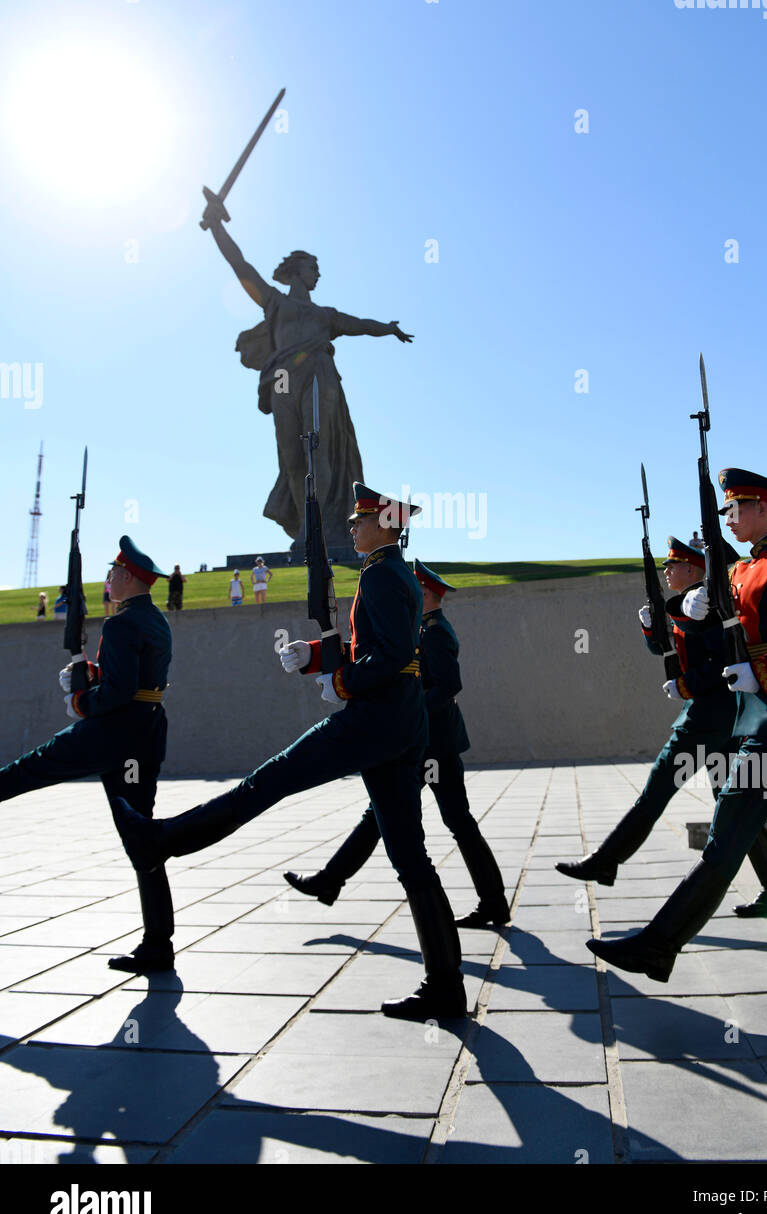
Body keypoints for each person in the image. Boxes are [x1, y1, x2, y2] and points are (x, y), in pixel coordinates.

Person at [115, 484, 466, 1020]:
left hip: (376, 719)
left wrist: (342, 682)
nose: (352, 527)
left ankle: (163, 839)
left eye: (360, 519)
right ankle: (446, 985)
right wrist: (314, 656)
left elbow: (390, 655)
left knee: (273, 778)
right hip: (399, 721)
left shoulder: (380, 573)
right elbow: (375, 647)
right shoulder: (394, 571)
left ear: (386, 525)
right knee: (410, 855)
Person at [587, 470, 767, 998]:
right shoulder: (741, 569)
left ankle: (659, 943)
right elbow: (709, 618)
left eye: (735, 510)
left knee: (729, 827)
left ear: (763, 507)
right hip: (758, 715)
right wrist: (672, 614)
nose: (728, 520)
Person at [557, 537, 767, 916]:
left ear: (694, 569)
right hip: (717, 718)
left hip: (709, 716)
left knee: (657, 788)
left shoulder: (707, 605)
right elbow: (669, 651)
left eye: (674, 565)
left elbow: (721, 660)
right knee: (732, 809)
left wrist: (686, 685)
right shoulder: (688, 605)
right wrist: (651, 629)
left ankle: (607, 859)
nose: (667, 572)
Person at [284, 559, 509, 928]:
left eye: (415, 591)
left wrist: (408, 709)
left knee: (454, 821)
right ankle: (330, 880)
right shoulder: (419, 628)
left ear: (427, 594)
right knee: (382, 813)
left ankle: (494, 902)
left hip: (436, 743)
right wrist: (314, 654)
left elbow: (448, 686)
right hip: (421, 740)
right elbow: (368, 651)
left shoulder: (436, 633)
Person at [0, 537, 175, 974]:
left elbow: (116, 691)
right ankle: (158, 943)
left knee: (30, 768)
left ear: (130, 577)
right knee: (142, 837)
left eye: (114, 572)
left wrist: (82, 700)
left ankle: (157, 943)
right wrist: (90, 675)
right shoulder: (154, 620)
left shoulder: (120, 624)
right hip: (146, 730)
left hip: (112, 732)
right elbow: (133, 678)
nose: (108, 578)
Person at [201, 206, 413, 562]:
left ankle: (322, 528)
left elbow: (360, 323)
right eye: (313, 267)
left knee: (318, 450)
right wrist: (216, 228)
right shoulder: (276, 303)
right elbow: (240, 266)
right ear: (297, 270)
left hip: (319, 374)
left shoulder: (323, 316)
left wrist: (388, 328)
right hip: (282, 378)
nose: (318, 274)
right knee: (292, 456)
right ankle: (306, 528)